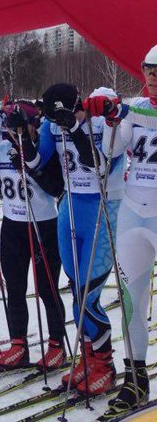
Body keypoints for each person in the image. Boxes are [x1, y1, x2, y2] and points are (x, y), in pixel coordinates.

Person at [30, 83, 126, 395]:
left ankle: (106, 366)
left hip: (103, 206)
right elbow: (36, 163)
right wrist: (19, 136)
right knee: (75, 288)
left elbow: (98, 166)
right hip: (69, 207)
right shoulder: (51, 124)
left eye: (64, 113)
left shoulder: (102, 124)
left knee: (88, 290)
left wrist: (74, 127)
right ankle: (88, 358)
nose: (56, 119)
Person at [100, 44, 157, 417]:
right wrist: (111, 121)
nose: (152, 76)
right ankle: (135, 382)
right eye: (148, 70)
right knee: (132, 302)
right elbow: (110, 150)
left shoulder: (140, 110)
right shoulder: (136, 108)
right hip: (135, 215)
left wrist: (126, 113)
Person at [0, 100, 66, 371]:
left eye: (19, 126)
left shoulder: (46, 149)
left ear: (32, 124)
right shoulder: (2, 148)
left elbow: (55, 187)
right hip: (13, 226)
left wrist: (29, 164)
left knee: (47, 288)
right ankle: (18, 345)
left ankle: (57, 346)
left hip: (43, 225)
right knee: (14, 287)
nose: (14, 132)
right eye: (10, 126)